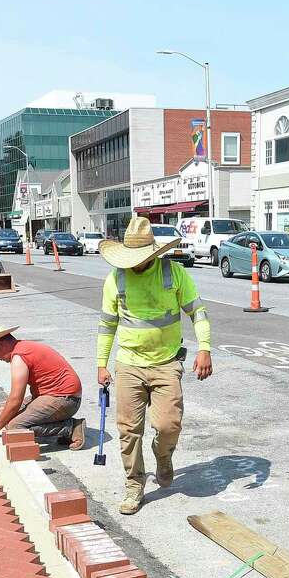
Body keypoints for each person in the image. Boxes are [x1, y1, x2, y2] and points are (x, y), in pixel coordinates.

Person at [96, 216, 212, 515]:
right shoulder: (116, 278)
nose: (132, 264)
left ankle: (163, 455)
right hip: (129, 365)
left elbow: (197, 311)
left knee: (168, 425)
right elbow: (107, 324)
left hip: (166, 363)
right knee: (128, 430)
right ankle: (134, 484)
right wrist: (101, 363)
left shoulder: (173, 273)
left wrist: (205, 348)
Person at [0, 322, 85, 449]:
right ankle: (61, 425)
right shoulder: (24, 346)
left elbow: (16, 399)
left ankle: (70, 428)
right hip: (58, 396)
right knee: (4, 412)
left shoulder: (19, 357)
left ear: (0, 344)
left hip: (65, 399)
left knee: (14, 427)